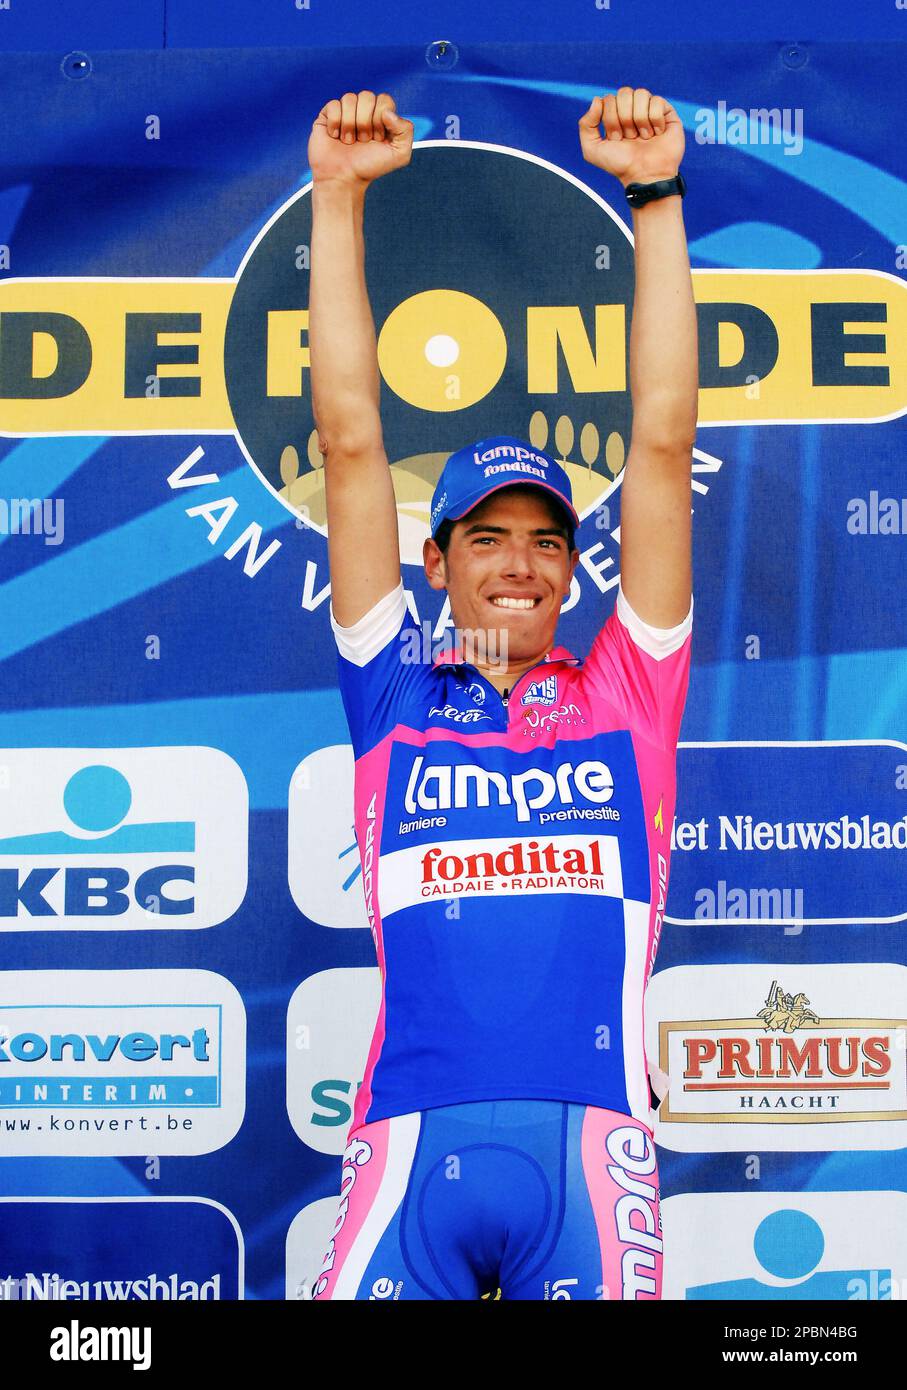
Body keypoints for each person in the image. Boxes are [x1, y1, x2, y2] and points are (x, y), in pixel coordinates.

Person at [307, 87, 697, 1301]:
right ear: (438, 561)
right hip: (406, 1145)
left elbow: (662, 439)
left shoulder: (629, 686)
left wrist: (657, 198)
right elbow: (350, 440)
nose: (519, 562)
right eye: (486, 537)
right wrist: (335, 197)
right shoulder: (391, 692)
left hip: (590, 1156)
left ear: (576, 567)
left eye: (545, 539)